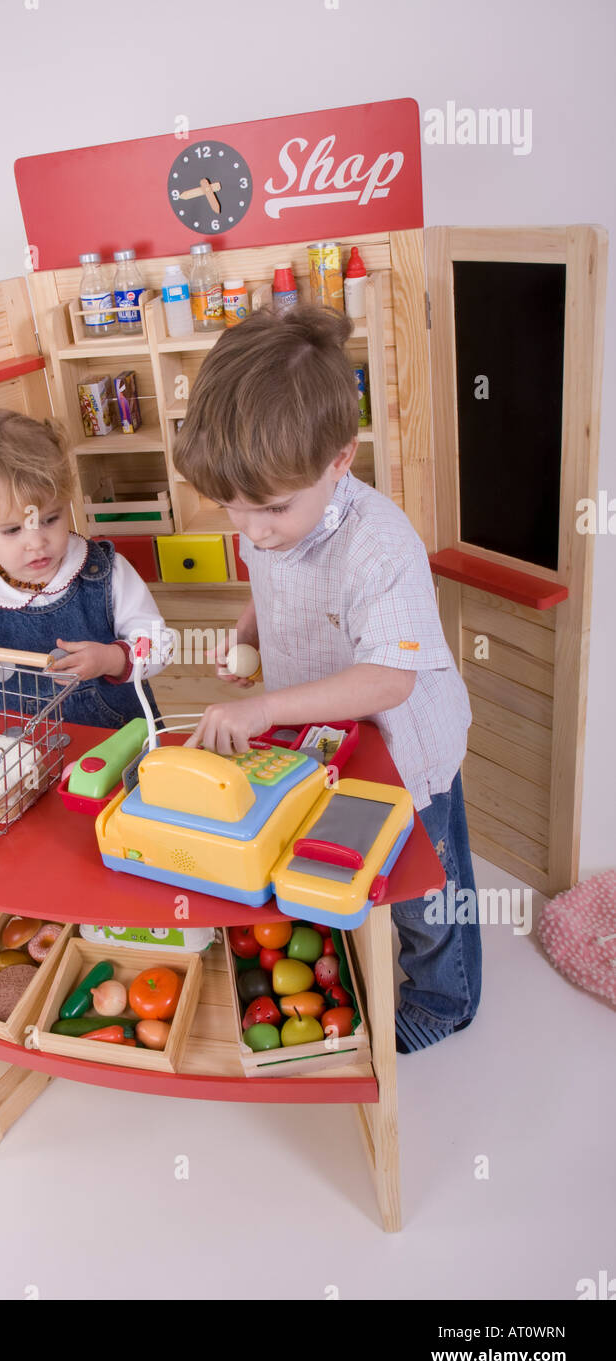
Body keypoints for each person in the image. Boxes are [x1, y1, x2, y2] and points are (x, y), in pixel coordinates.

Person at [173, 305, 479, 1053]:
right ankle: (356, 959)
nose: (253, 531)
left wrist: (269, 704)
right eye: (232, 510)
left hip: (406, 754)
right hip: (329, 745)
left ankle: (446, 1001)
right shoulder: (275, 514)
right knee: (343, 861)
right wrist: (249, 628)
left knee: (424, 892)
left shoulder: (381, 547)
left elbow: (389, 680)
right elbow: (268, 574)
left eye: (270, 509)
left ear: (341, 459)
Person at [0, 408, 172, 728]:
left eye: (49, 519)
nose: (36, 542)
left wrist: (113, 659)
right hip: (28, 757)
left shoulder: (106, 572)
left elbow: (160, 643)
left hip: (123, 747)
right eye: (12, 530)